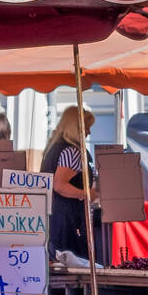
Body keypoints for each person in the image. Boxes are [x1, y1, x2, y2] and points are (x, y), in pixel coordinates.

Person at [41, 105, 99, 259]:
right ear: (77, 127)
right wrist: (87, 193)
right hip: (66, 221)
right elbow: (60, 185)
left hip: (51, 217)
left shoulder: (53, 148)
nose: (89, 132)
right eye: (87, 127)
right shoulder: (72, 151)